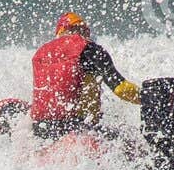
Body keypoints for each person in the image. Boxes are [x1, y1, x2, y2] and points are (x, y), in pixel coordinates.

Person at [29, 12, 140, 140]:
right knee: (130, 138)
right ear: (85, 31)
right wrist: (145, 97)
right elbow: (121, 89)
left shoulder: (40, 53)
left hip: (40, 132)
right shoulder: (89, 49)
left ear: (59, 33)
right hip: (79, 130)